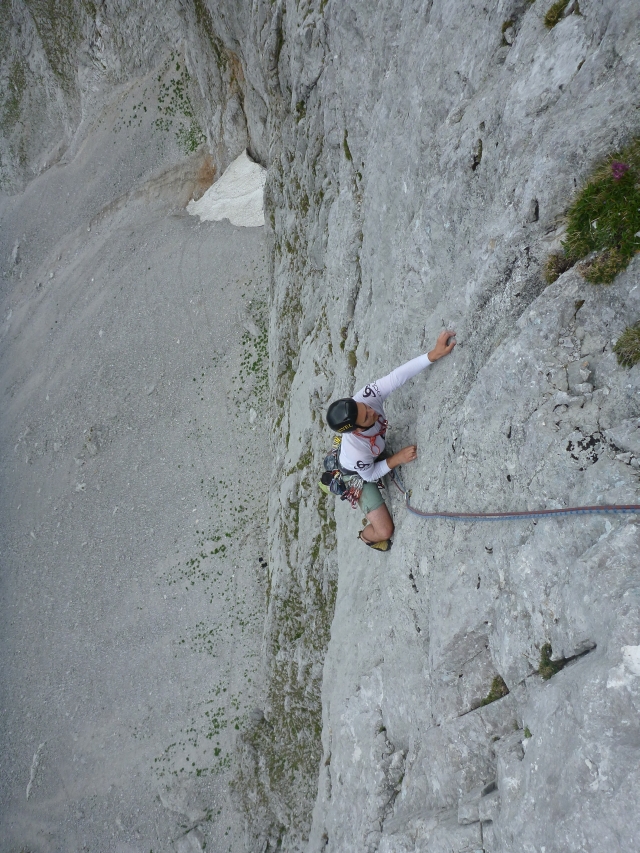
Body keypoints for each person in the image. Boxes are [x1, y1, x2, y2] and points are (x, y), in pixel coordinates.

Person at [326, 330, 456, 551]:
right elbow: (369, 475)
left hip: (370, 455)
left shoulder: (364, 398)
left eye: (364, 407)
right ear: (355, 430)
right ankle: (366, 537)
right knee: (385, 531)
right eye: (366, 417)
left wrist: (433, 355)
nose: (371, 410)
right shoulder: (357, 451)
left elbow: (396, 377)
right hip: (356, 474)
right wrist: (397, 459)